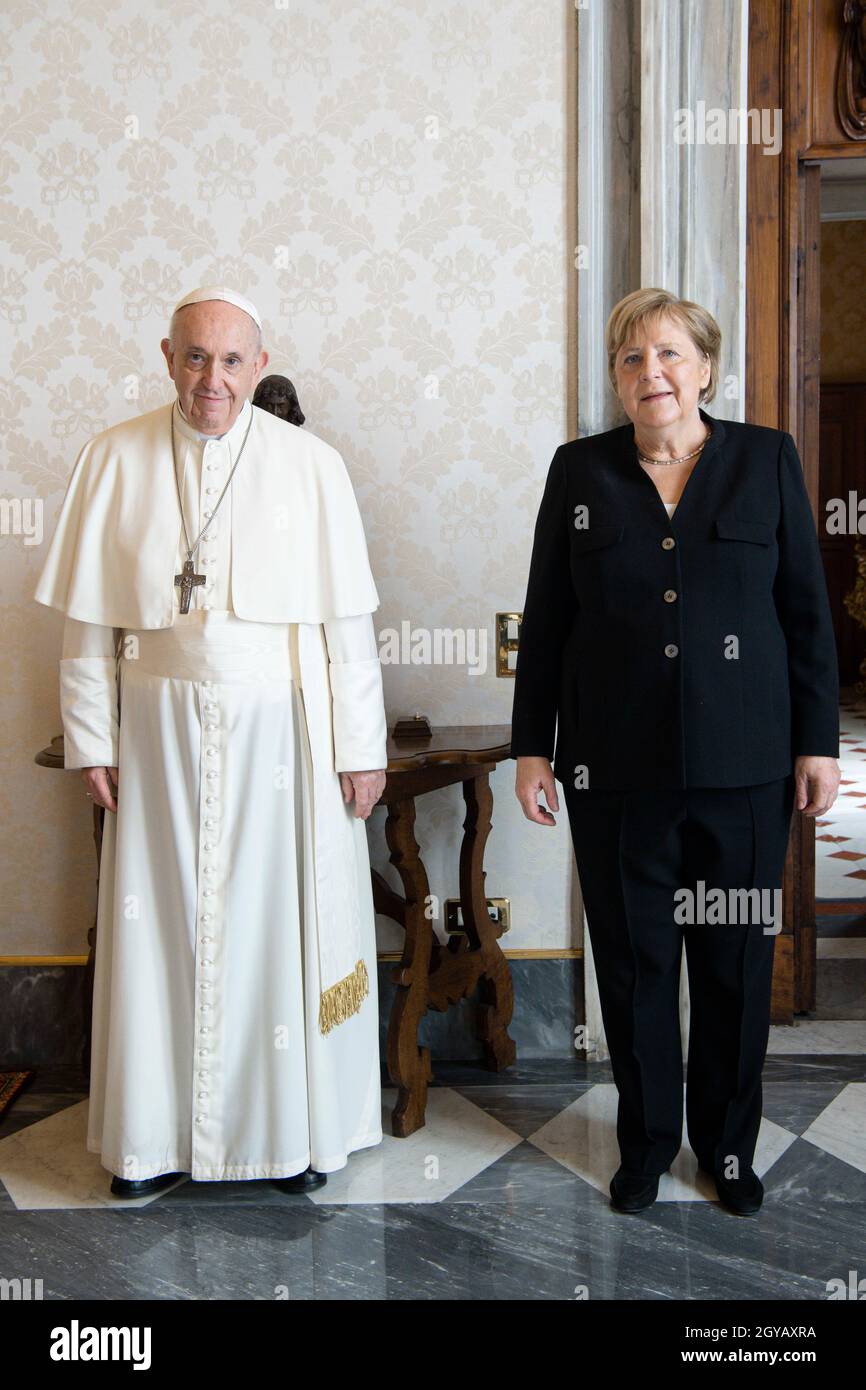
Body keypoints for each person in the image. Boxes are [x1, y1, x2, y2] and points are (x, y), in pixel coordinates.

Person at [34, 285, 388, 1197]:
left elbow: (346, 627)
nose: (212, 379)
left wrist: (361, 748)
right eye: (195, 357)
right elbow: (85, 629)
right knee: (160, 932)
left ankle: (285, 1139)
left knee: (275, 931)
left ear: (258, 366)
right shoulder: (113, 458)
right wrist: (90, 741)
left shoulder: (312, 466)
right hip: (154, 731)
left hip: (285, 730)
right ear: (166, 357)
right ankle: (153, 1145)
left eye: (232, 360)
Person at [511, 287, 841, 1216]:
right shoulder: (579, 472)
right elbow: (548, 622)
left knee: (735, 965)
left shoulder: (765, 460)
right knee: (634, 963)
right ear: (616, 378)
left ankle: (728, 1151)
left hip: (746, 774)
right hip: (614, 775)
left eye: (668, 355)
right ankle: (647, 1145)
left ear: (704, 367)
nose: (649, 373)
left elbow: (806, 614)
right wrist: (533, 747)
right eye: (630, 359)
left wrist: (817, 742)